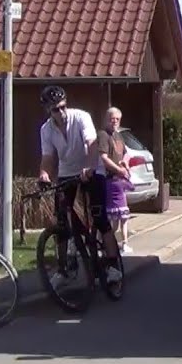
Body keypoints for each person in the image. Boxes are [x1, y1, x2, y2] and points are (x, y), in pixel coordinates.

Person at [37, 85, 122, 285]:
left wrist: (90, 167)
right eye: (56, 109)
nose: (61, 112)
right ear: (49, 111)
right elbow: (48, 156)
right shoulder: (46, 130)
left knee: (99, 218)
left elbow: (92, 143)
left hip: (92, 169)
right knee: (62, 222)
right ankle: (65, 268)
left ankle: (112, 266)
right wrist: (43, 173)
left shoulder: (81, 117)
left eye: (63, 106)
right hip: (68, 172)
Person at [96, 107, 135, 255]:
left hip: (119, 181)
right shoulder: (103, 135)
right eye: (112, 118)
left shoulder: (118, 136)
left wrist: (124, 163)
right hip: (109, 180)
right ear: (106, 119)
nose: (114, 122)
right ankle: (105, 245)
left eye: (117, 119)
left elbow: (126, 154)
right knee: (114, 217)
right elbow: (104, 158)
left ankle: (113, 244)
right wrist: (118, 170)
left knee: (120, 217)